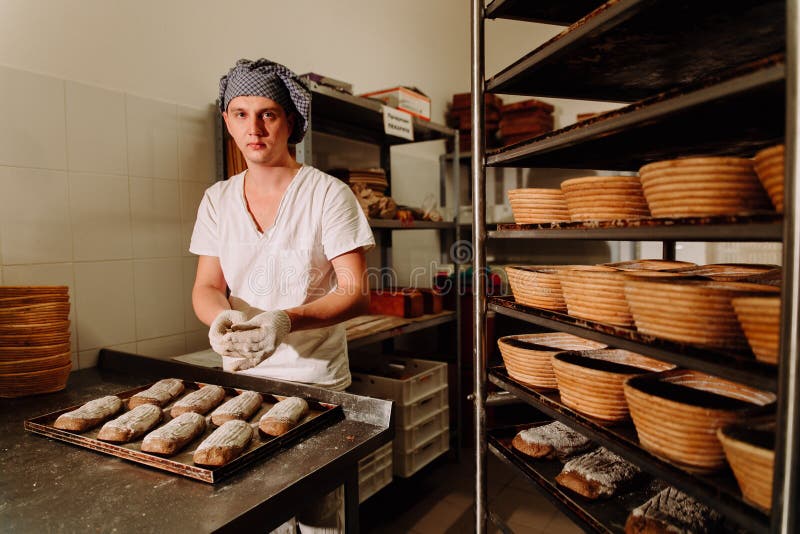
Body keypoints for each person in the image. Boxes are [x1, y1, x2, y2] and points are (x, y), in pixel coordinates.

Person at [189, 58, 375, 533]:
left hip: (314, 384)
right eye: (240, 113)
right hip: (243, 384)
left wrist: (283, 320)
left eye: (268, 114)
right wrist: (218, 321)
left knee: (318, 519)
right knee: (258, 515)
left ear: (289, 122)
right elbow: (208, 285)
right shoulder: (217, 199)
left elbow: (355, 293)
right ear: (227, 121)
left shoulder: (328, 195)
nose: (254, 127)